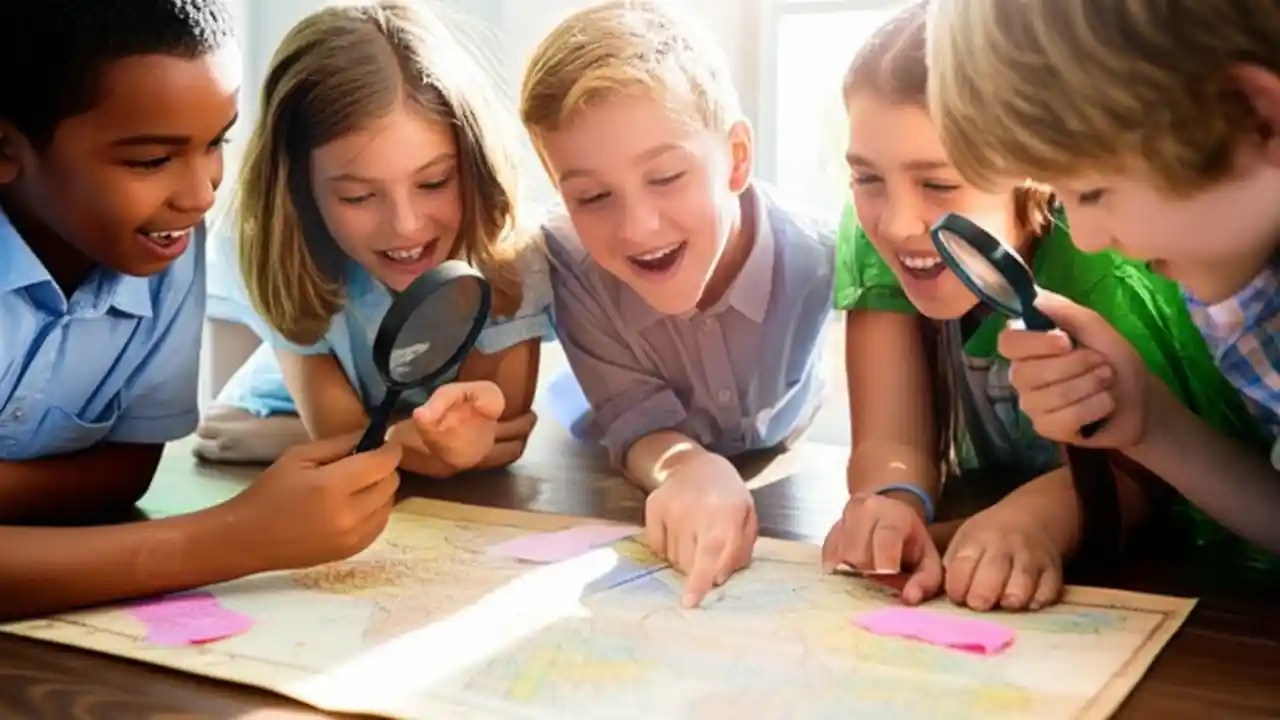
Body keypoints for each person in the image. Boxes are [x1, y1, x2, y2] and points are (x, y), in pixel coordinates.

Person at [823, 2, 1261, 610]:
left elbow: (1143, 469)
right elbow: (891, 441)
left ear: (1029, 175)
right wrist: (890, 505)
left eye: (940, 183)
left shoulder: (1111, 262)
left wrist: (1035, 518)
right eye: (867, 179)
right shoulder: (880, 235)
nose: (896, 223)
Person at [0, 0, 401, 620]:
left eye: (216, 142)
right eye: (150, 161)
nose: (199, 193)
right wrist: (231, 538)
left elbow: (127, 468)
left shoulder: (164, 248)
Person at [927, 0, 1280, 555]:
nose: (1086, 238)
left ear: (1257, 117)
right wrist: (1149, 424)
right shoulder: (1244, 300)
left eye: (1092, 192)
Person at [520, 0, 835, 607]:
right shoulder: (568, 264)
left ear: (737, 159)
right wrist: (685, 465)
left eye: (666, 177)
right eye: (592, 196)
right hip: (594, 463)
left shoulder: (823, 257)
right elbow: (633, 416)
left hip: (779, 470)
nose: (638, 227)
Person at [196, 0, 554, 476]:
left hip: (312, 428)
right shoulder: (285, 252)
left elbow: (497, 441)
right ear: (300, 193)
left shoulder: (512, 254)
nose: (406, 225)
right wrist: (383, 443)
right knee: (221, 435)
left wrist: (356, 441)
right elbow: (341, 437)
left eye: (433, 183)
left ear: (472, 164)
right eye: (359, 196)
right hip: (271, 403)